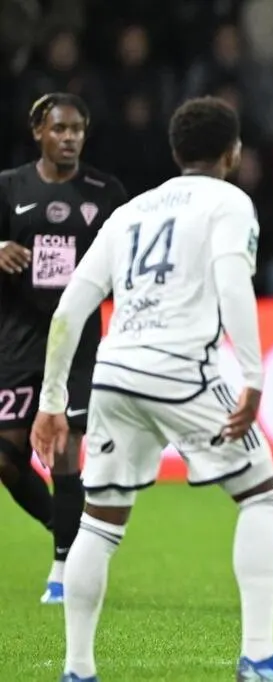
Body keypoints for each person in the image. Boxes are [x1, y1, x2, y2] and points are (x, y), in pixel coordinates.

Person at [29, 97, 273, 682]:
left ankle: (78, 669)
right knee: (263, 495)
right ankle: (259, 657)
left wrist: (52, 401)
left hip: (113, 371)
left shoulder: (131, 211)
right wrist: (253, 375)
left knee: (99, 521)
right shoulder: (229, 201)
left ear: (174, 152)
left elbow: (70, 307)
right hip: (179, 368)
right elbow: (231, 281)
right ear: (233, 153)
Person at [0, 93, 127, 605]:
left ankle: (62, 567)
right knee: (7, 458)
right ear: (38, 131)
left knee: (66, 453)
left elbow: (128, 257)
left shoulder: (106, 191)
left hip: (78, 340)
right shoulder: (9, 188)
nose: (69, 136)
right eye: (59, 128)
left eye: (77, 128)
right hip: (18, 337)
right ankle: (69, 529)